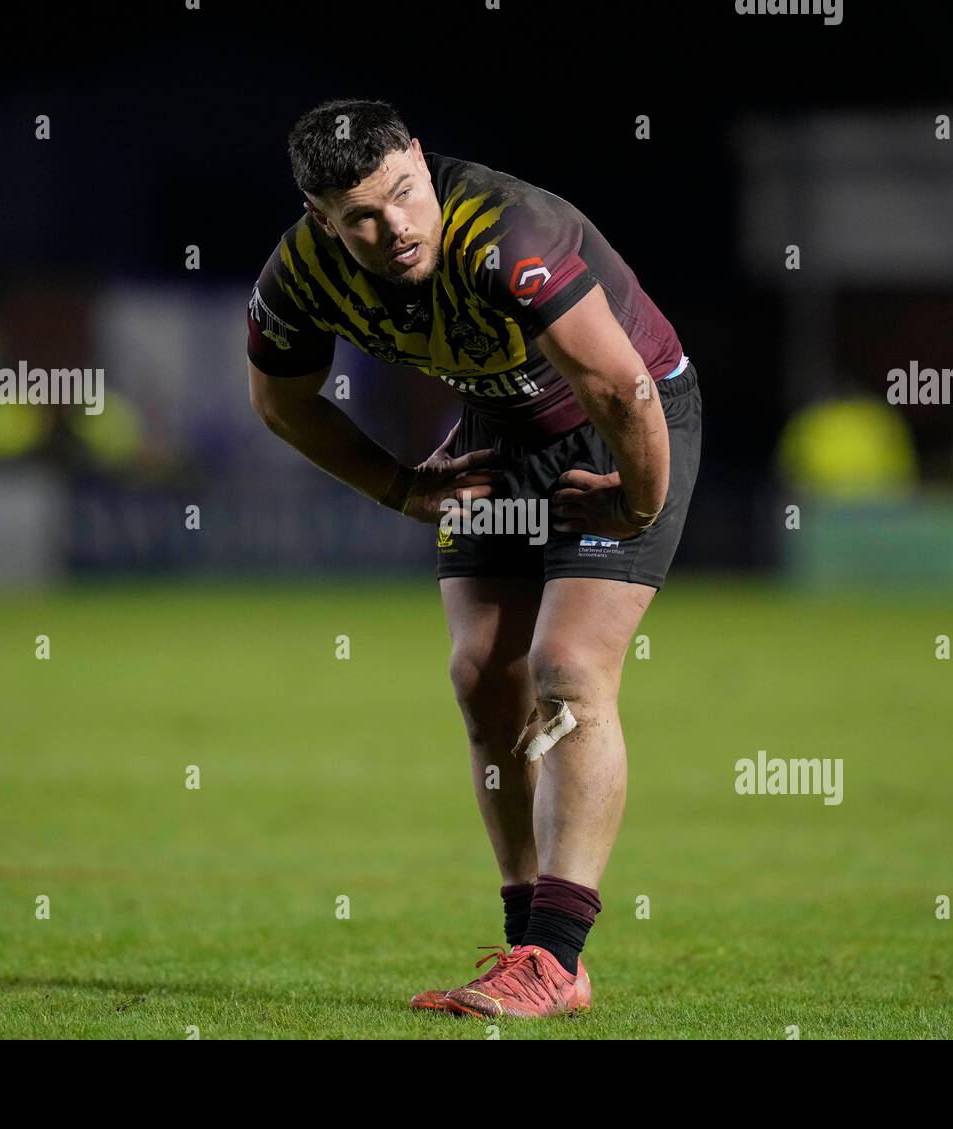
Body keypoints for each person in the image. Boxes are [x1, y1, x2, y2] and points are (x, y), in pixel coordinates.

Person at [247, 98, 702, 1018]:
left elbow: (619, 384)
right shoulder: (300, 274)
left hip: (626, 428)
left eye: (403, 193)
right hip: (498, 437)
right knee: (481, 676)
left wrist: (637, 500)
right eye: (360, 218)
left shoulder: (505, 232)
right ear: (318, 219)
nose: (394, 227)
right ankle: (530, 944)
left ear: (419, 158)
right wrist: (405, 488)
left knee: (568, 669)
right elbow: (284, 402)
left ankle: (554, 956)